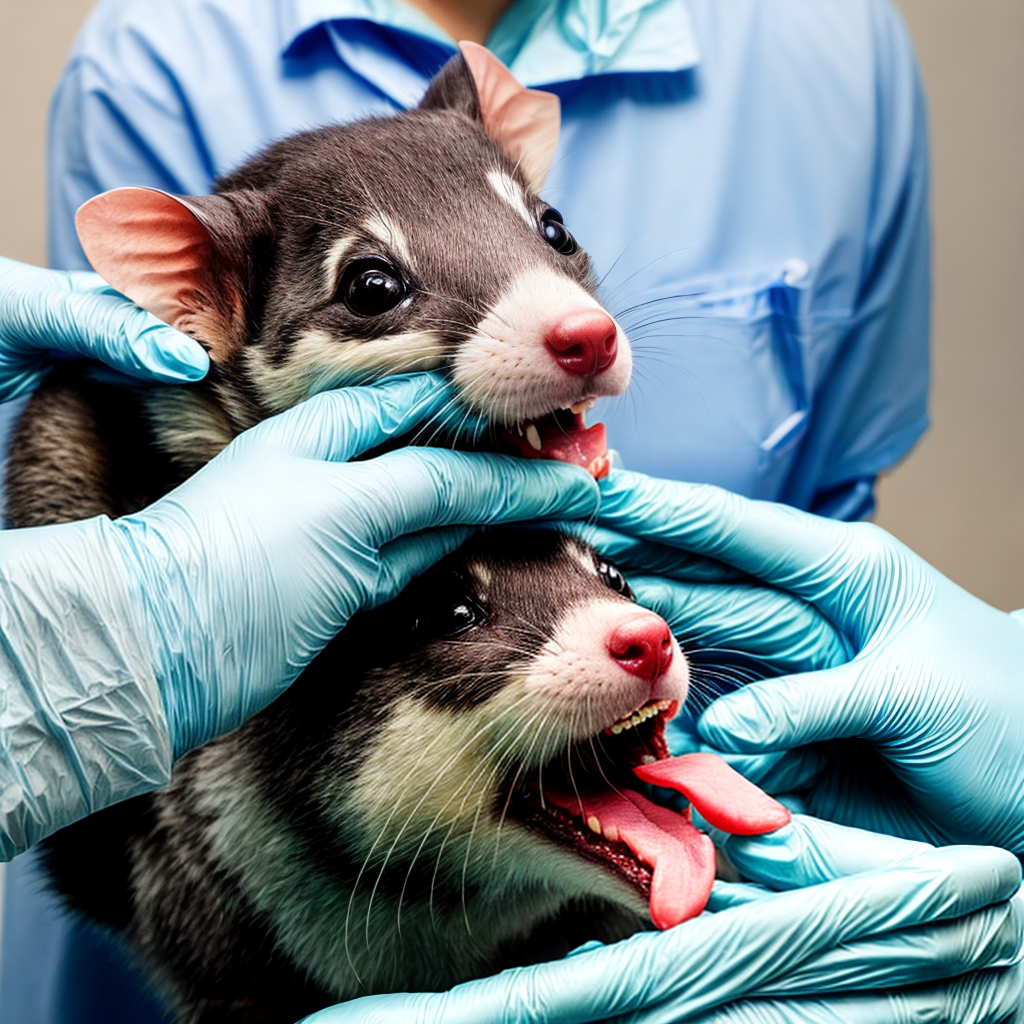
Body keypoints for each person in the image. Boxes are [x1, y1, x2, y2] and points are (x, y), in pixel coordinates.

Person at [0, 0, 981, 1018]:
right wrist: (127, 633)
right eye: (376, 285)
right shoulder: (162, 52)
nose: (582, 325)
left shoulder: (832, 43)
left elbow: (835, 528)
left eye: (548, 233)